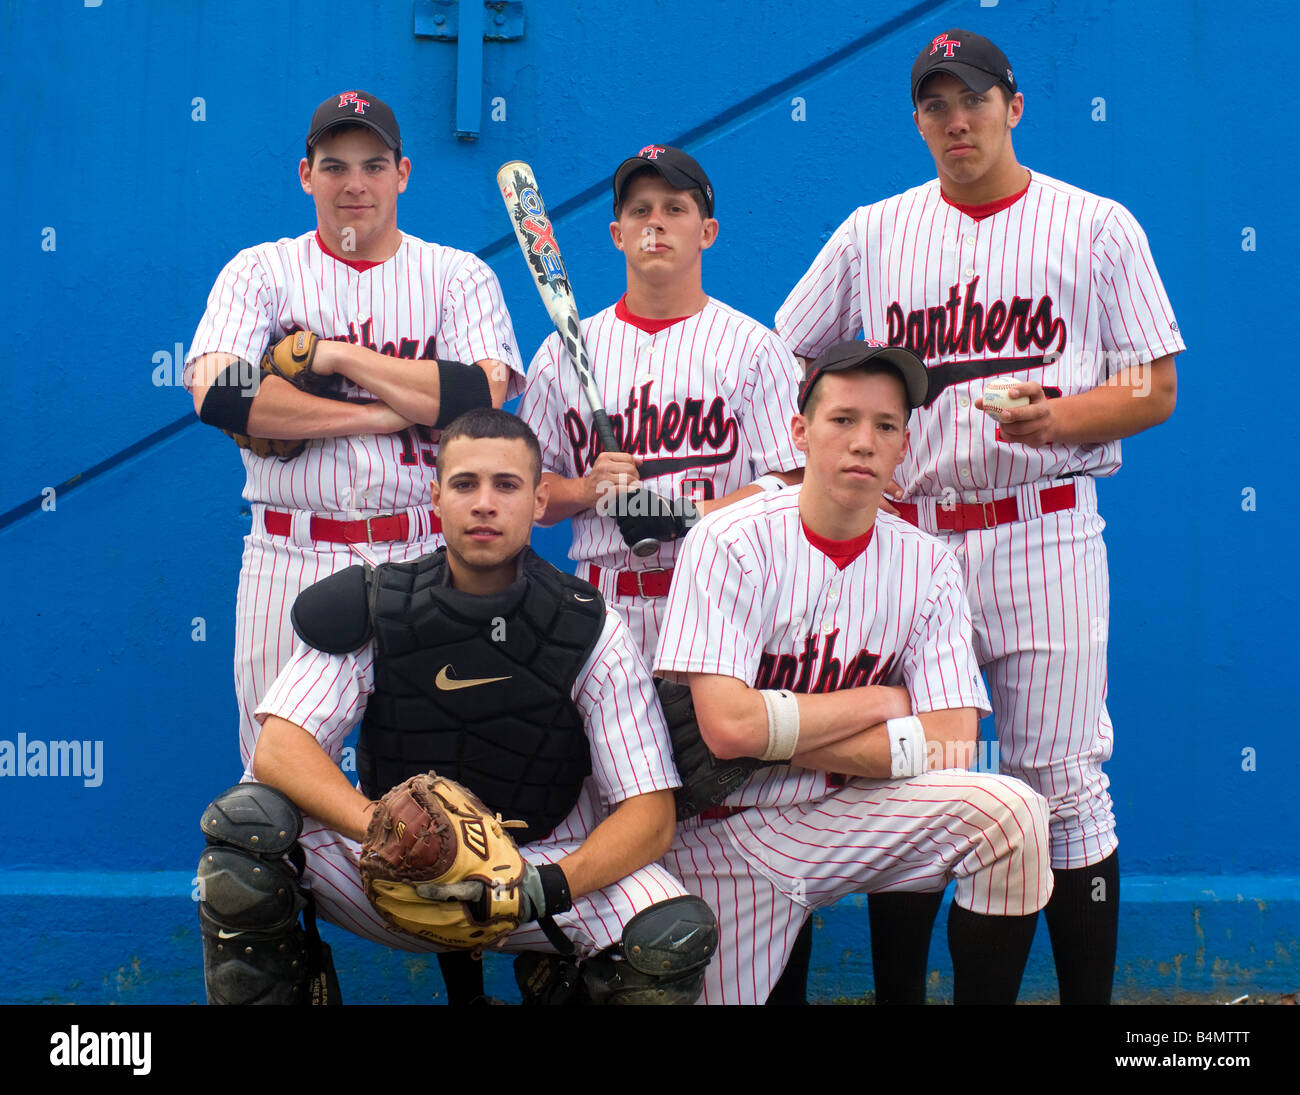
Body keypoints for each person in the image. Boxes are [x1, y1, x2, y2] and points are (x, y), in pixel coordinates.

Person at [774, 29, 1184, 1004]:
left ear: (1013, 105)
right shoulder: (875, 231)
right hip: (909, 536)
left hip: (1042, 528)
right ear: (918, 120)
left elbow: (1153, 385)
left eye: (973, 99)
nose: (956, 119)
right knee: (907, 785)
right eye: (934, 104)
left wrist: (1063, 419)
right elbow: (780, 356)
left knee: (1060, 783)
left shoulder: (1093, 226)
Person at [195, 409, 717, 1005]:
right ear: (436, 496)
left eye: (507, 484)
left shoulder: (591, 627)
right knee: (247, 827)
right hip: (387, 869)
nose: (485, 503)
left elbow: (649, 815)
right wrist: (394, 833)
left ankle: (561, 984)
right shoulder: (380, 602)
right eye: (465, 484)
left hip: (534, 872)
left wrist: (541, 888)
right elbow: (280, 749)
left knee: (670, 932)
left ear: (540, 497)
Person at [653, 342, 1054, 1005]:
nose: (864, 442)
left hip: (849, 812)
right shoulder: (728, 542)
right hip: (729, 832)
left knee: (1012, 813)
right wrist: (879, 700)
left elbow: (954, 743)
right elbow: (725, 730)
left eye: (886, 426)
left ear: (903, 446)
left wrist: (776, 732)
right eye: (843, 420)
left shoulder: (928, 563)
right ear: (799, 432)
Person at [185, 90, 523, 773]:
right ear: (305, 175)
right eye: (334, 166)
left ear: (403, 173)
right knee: (271, 791)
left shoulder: (457, 276)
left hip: (426, 552)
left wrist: (335, 356)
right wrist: (385, 409)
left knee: (437, 785)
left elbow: (476, 397)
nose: (355, 184)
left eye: (373, 165)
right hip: (290, 550)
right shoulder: (261, 271)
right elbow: (219, 393)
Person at [519, 144, 805, 664]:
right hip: (601, 607)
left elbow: (794, 484)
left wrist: (686, 516)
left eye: (675, 208)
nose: (656, 224)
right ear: (618, 234)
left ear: (707, 232)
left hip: (720, 599)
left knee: (716, 747)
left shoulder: (754, 348)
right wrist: (588, 488)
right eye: (640, 211)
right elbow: (527, 495)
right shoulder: (561, 353)